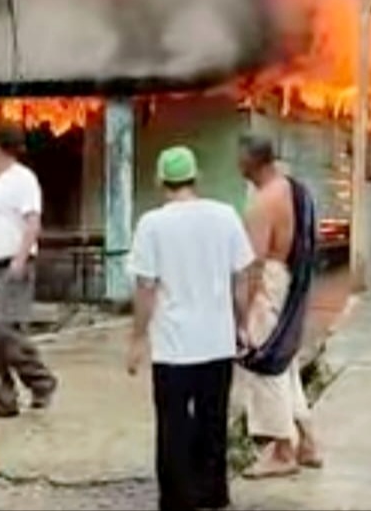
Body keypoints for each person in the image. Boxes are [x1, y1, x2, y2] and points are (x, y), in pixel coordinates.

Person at [126, 146, 255, 511]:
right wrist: (242, 325)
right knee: (213, 422)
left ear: (160, 180)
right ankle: (213, 495)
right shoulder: (225, 215)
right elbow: (242, 278)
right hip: (217, 343)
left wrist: (137, 339)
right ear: (196, 177)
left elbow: (146, 288)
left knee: (173, 427)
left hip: (173, 348)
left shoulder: (152, 224)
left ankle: (177, 499)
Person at [235, 134, 323, 479]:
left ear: (251, 161)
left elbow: (253, 266)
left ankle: (282, 451)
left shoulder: (262, 203)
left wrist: (241, 315)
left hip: (268, 284)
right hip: (288, 279)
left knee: (265, 364)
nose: (236, 163)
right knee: (283, 362)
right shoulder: (291, 188)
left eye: (239, 157)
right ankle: (309, 441)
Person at [0, 126, 57, 417]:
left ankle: (41, 380)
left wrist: (21, 258)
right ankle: (3, 397)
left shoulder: (23, 179)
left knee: (5, 329)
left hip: (13, 261)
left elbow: (32, 221)